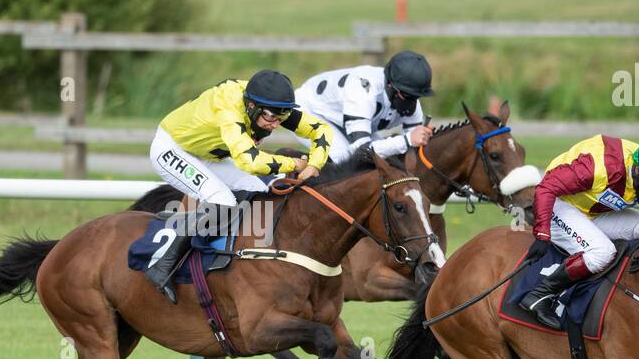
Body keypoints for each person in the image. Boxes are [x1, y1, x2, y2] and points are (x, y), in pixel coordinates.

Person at [146, 70, 331, 302]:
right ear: (251, 106)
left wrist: (314, 164)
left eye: (280, 119)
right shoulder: (229, 109)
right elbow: (250, 161)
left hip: (209, 155)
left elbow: (322, 130)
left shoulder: (269, 105)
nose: (274, 125)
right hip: (173, 149)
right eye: (270, 118)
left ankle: (233, 256)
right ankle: (162, 266)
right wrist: (293, 163)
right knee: (221, 200)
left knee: (260, 192)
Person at [520, 135, 639, 329]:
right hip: (560, 204)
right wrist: (542, 234)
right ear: (638, 171)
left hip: (594, 211)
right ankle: (540, 294)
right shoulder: (597, 169)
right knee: (603, 252)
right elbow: (545, 189)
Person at [292, 50, 436, 164]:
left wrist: (423, 137)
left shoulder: (406, 93)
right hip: (307, 109)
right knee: (342, 157)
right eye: (408, 95)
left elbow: (415, 146)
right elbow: (361, 152)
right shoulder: (362, 90)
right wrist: (407, 140)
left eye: (416, 97)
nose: (413, 102)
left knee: (387, 161)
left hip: (342, 119)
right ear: (390, 86)